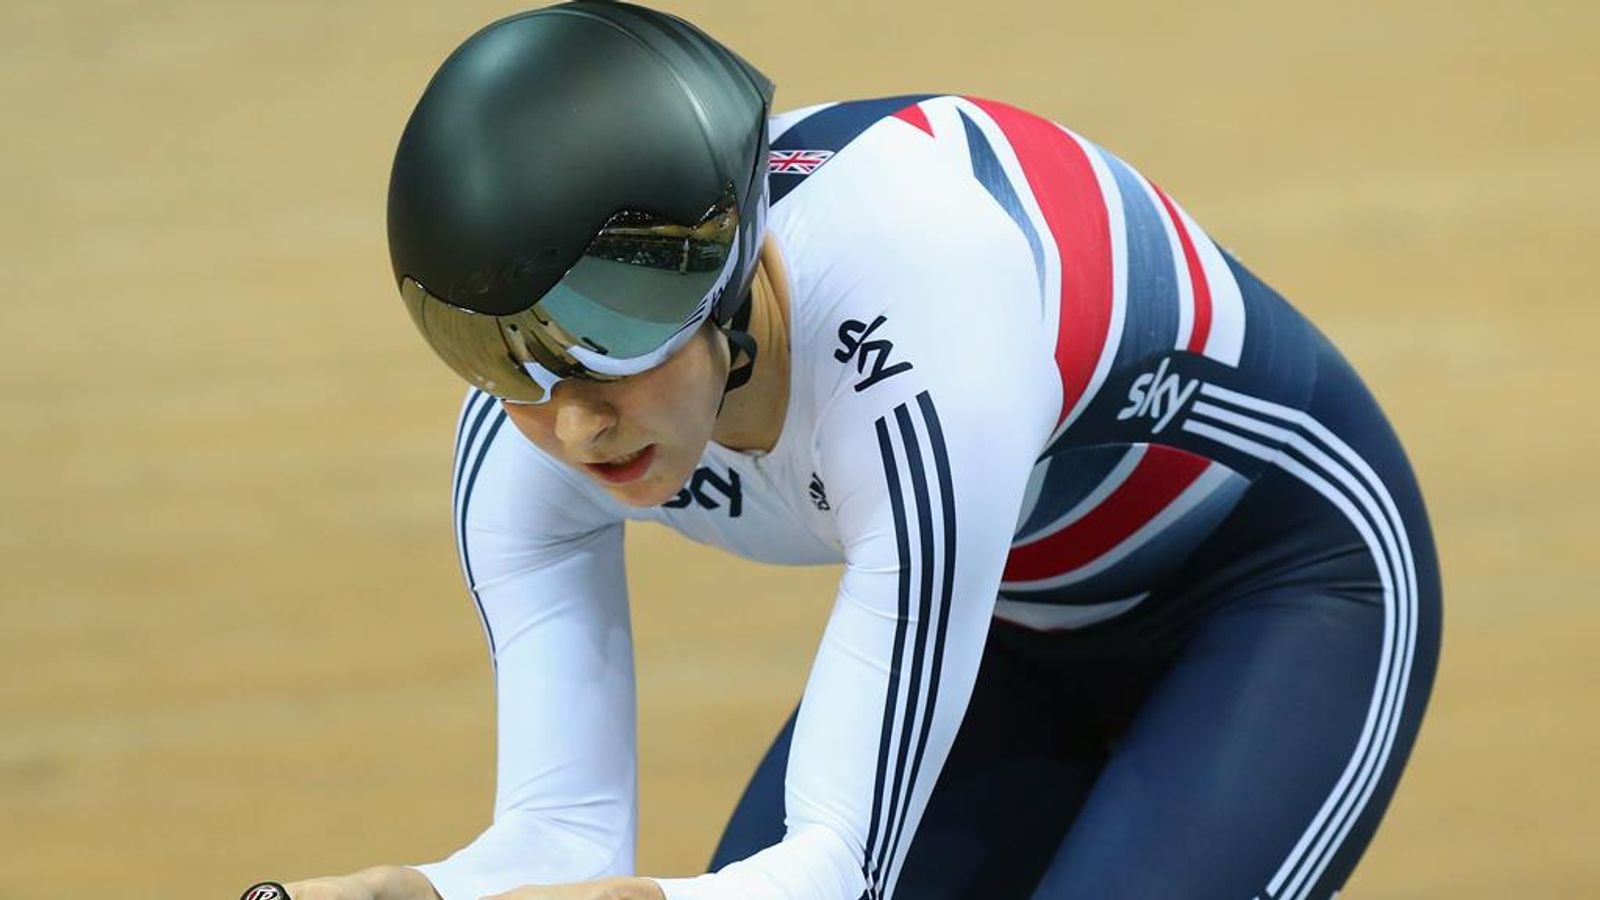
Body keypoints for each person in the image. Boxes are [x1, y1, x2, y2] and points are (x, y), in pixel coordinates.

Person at [264, 2, 1442, 898]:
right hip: (1008, 622)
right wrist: (427, 888)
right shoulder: (524, 430)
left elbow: (836, 872)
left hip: (1280, 594)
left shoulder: (926, 304)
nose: (571, 419)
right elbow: (565, 840)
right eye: (494, 351)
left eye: (612, 335)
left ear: (726, 269)